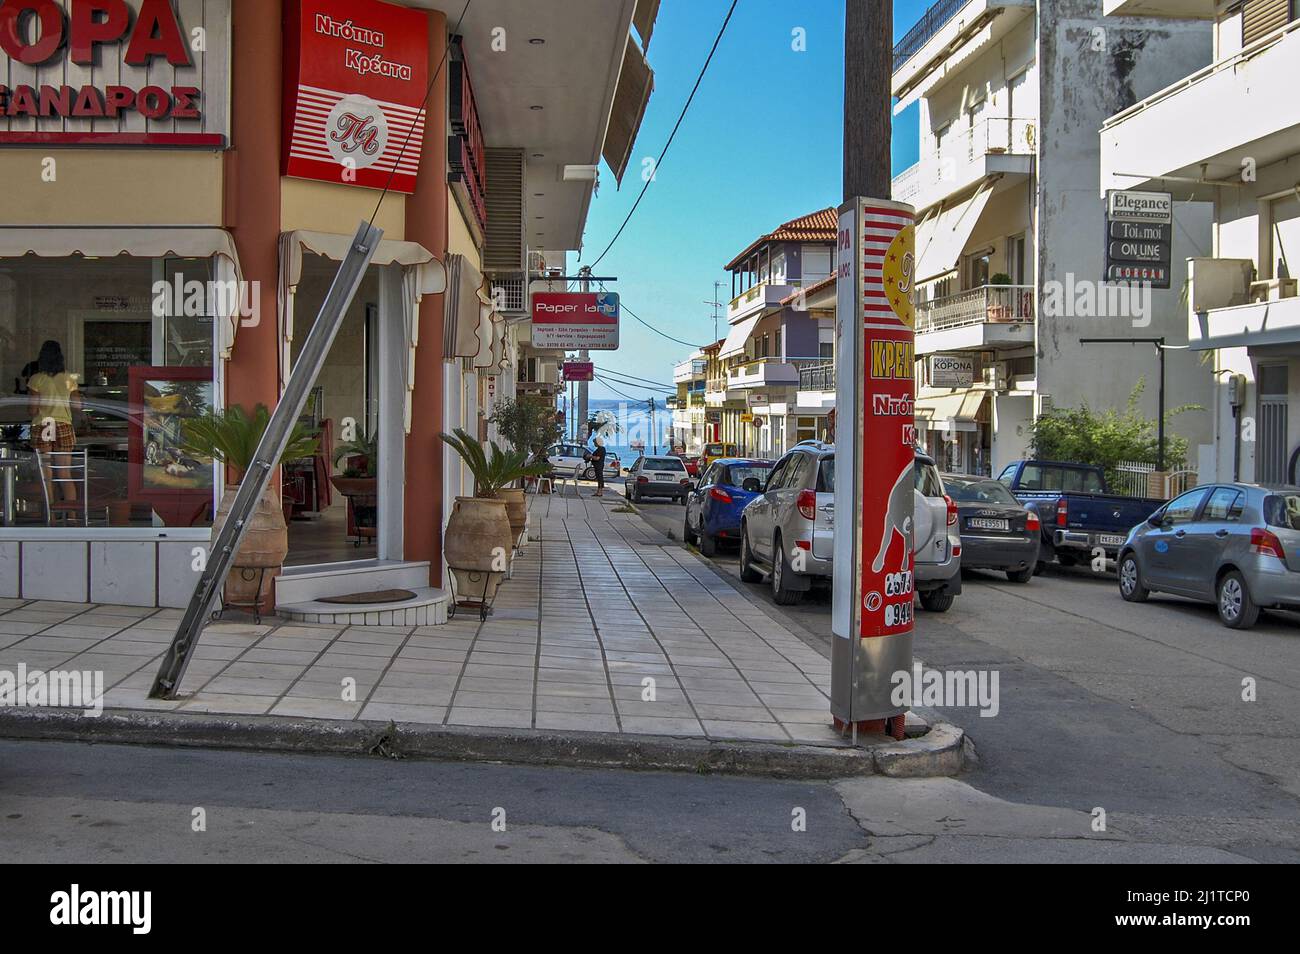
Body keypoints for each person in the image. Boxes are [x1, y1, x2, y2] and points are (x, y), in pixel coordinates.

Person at [27, 340, 81, 505]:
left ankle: (50, 518)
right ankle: (71, 515)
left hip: (44, 425)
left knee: (47, 475)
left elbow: (33, 410)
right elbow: (78, 405)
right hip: (63, 425)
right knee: (65, 474)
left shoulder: (36, 379)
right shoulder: (69, 378)